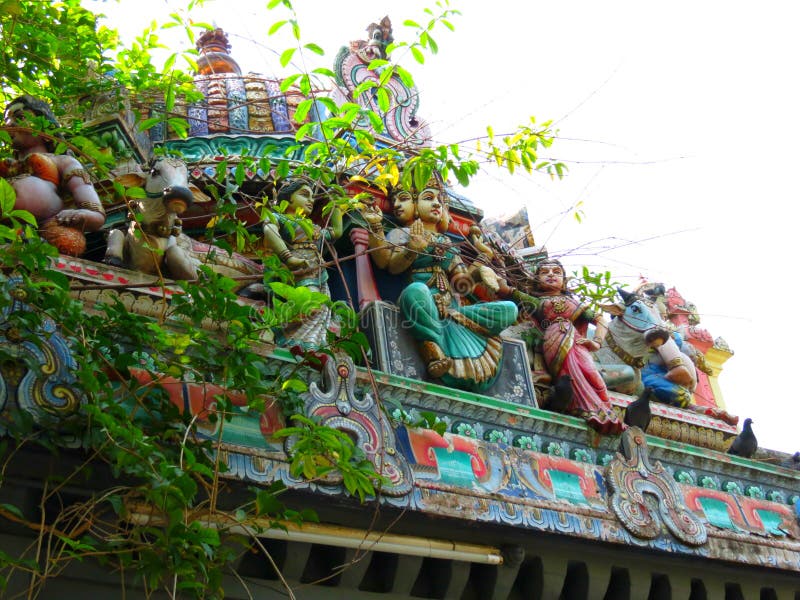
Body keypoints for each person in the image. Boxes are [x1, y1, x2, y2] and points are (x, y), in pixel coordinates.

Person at [363, 177, 518, 391]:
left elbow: (461, 284)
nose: (436, 204)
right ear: (413, 204)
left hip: (454, 312)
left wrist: (482, 265)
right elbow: (389, 265)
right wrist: (411, 248)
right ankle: (432, 348)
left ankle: (449, 344)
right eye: (429, 198)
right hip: (424, 305)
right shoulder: (402, 234)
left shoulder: (446, 242)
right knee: (414, 293)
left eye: (439, 200)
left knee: (509, 309)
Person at [1, 95, 105, 256]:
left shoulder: (63, 161)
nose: (9, 124)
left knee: (68, 241)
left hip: (49, 230)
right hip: (6, 232)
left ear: (45, 128)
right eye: (6, 121)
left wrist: (78, 215)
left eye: (20, 117)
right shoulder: (6, 167)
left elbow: (96, 215)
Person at [532, 258, 624, 434]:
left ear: (564, 281)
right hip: (554, 340)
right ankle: (580, 408)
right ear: (537, 280)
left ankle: (604, 412)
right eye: (544, 272)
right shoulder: (534, 301)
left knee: (593, 376)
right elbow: (509, 293)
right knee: (568, 378)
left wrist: (596, 342)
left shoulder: (575, 304)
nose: (551, 275)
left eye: (556, 272)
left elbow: (601, 320)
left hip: (577, 342)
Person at [263, 178, 342, 348]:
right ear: (288, 199)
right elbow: (269, 230)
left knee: (322, 309)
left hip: (317, 273)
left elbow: (336, 232)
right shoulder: (281, 218)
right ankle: (288, 338)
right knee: (313, 306)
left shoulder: (312, 227)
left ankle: (312, 342)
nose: (311, 200)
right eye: (304, 195)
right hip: (296, 271)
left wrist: (335, 203)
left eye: (312, 197)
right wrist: (288, 258)